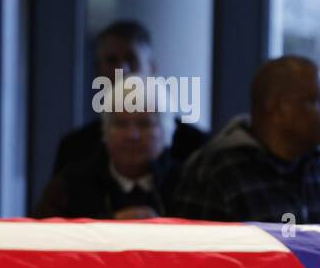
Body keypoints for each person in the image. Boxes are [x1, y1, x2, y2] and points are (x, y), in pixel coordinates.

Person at [173, 55, 320, 224]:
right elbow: (190, 248)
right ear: (278, 107)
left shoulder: (317, 173)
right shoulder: (217, 173)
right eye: (317, 100)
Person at [53, 20, 207, 177]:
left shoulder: (194, 145)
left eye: (131, 59)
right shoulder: (75, 149)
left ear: (152, 68)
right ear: (98, 71)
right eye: (112, 60)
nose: (122, 69)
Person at [33, 106, 179, 219]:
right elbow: (41, 239)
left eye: (144, 124)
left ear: (166, 133)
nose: (132, 135)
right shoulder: (69, 184)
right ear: (105, 132)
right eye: (121, 124)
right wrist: (107, 226)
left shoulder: (185, 182)